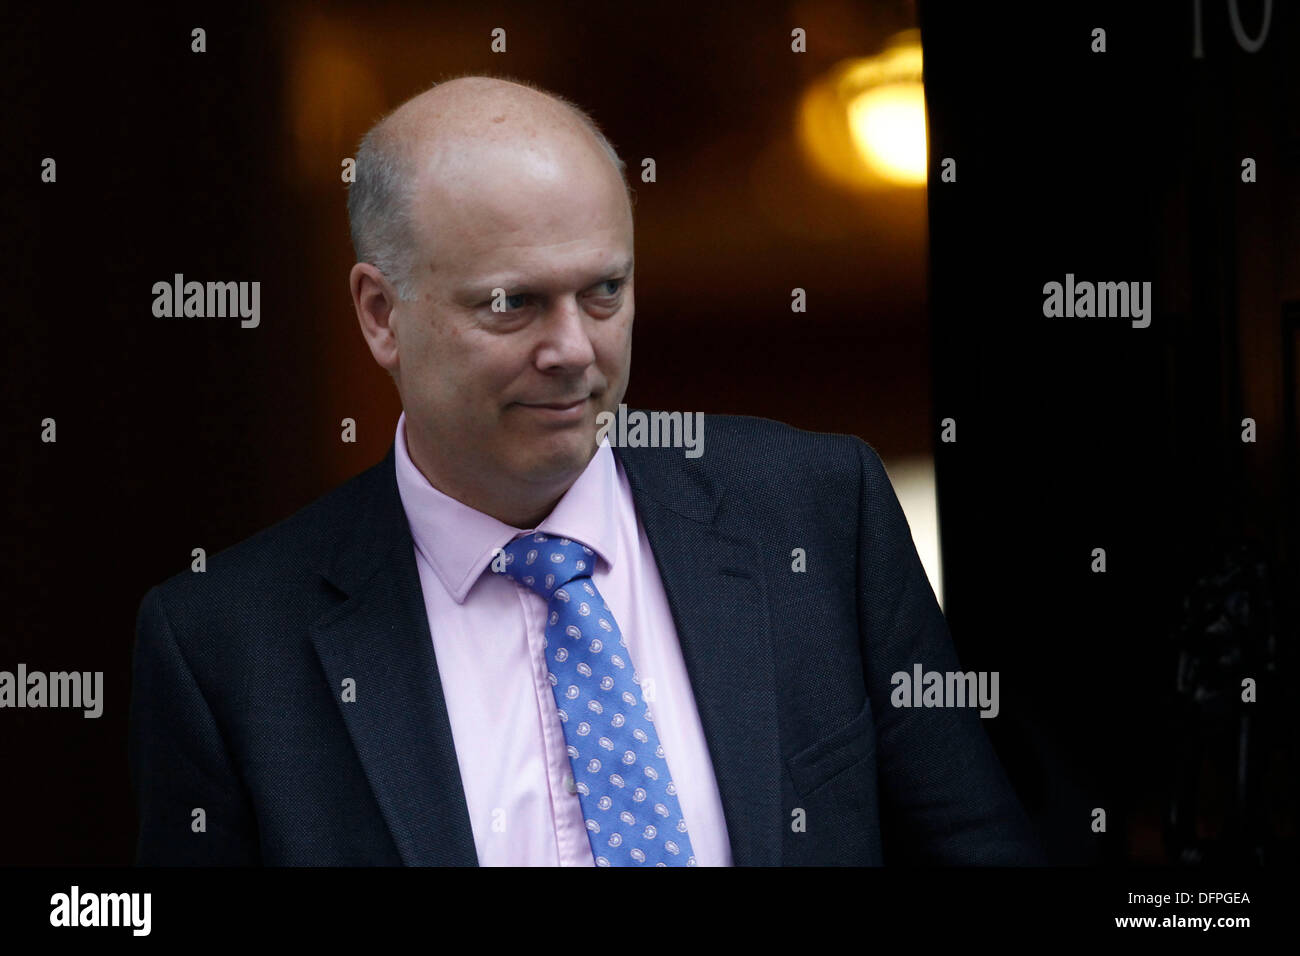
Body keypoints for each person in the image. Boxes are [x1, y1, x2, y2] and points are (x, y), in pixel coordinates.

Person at [129, 75, 1044, 866]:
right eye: (513, 303)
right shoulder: (230, 646)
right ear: (380, 313)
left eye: (605, 290)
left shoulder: (813, 516)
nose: (573, 349)